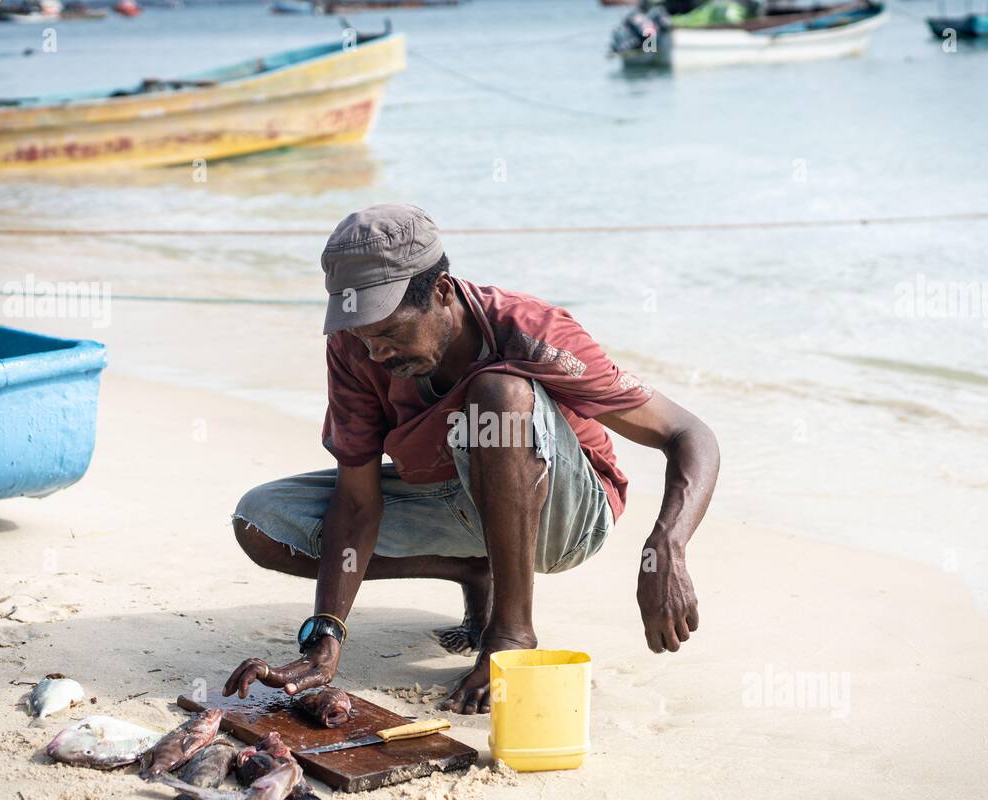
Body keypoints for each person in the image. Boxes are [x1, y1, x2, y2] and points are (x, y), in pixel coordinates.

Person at [224, 205, 720, 715]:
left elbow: (689, 434)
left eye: (391, 333)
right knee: (262, 522)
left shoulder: (527, 330)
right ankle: (473, 567)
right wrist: (325, 638)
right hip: (451, 499)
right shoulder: (354, 349)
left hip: (564, 517)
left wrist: (668, 545)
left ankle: (510, 632)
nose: (376, 353)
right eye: (363, 335)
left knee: (498, 394)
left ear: (441, 291)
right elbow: (356, 503)